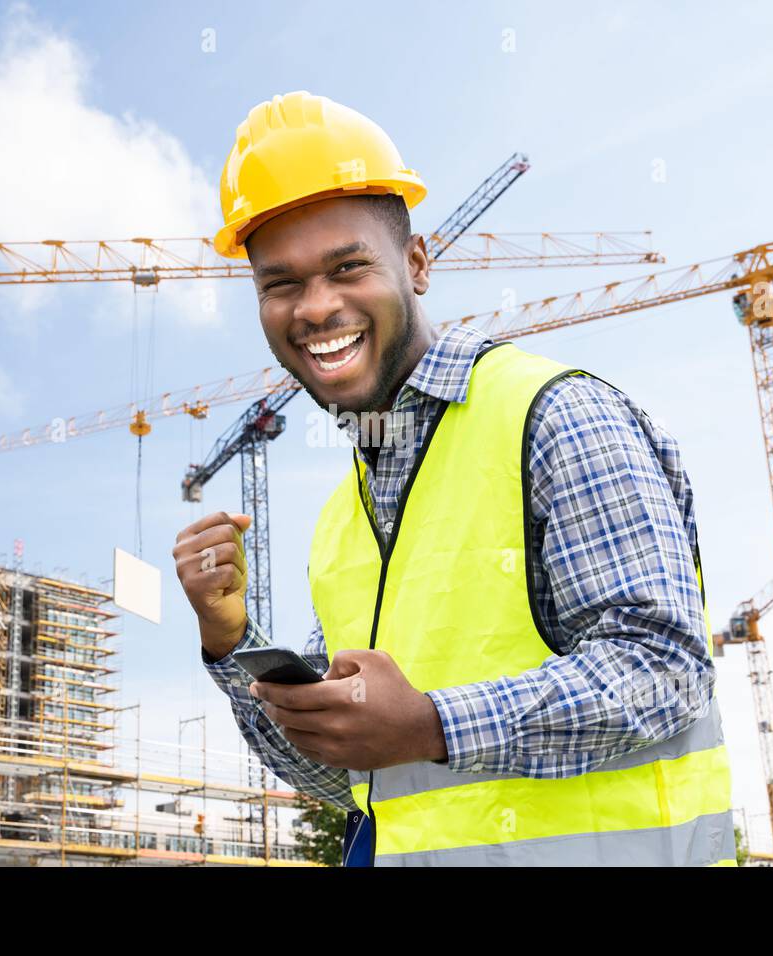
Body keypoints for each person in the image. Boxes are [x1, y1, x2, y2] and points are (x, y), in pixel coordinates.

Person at [172, 91, 734, 866]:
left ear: (417, 263)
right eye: (281, 284)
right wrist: (231, 640)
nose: (317, 307)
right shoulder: (347, 517)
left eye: (348, 267)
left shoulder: (554, 414)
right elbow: (348, 776)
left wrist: (434, 724)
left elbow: (663, 672)